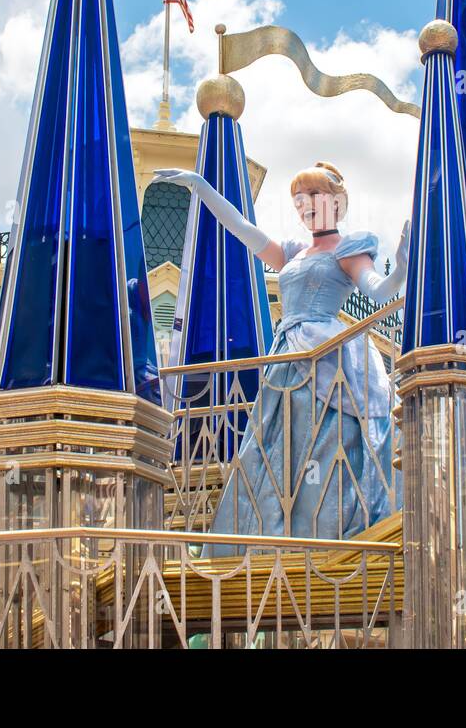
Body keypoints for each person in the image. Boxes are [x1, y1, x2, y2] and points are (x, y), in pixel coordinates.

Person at [155, 161, 407, 549]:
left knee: (319, 439)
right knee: (274, 445)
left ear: (337, 202)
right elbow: (243, 229)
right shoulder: (293, 251)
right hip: (287, 356)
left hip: (326, 357)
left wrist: (403, 267)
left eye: (314, 196)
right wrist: (201, 187)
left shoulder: (350, 247)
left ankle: (323, 539)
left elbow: (377, 291)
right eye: (298, 200)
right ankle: (267, 538)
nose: (305, 205)